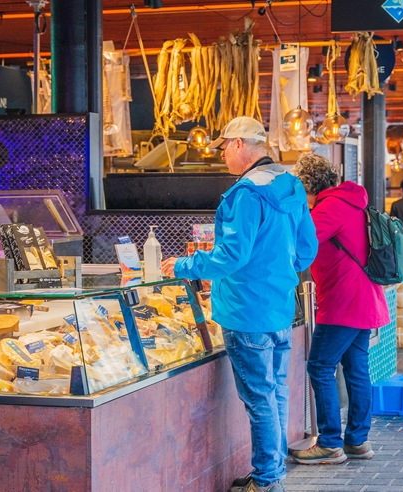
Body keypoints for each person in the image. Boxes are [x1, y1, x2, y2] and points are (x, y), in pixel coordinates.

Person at [161, 117, 317, 492]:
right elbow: (307, 250)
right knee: (275, 392)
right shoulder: (291, 185)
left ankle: (266, 482)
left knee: (260, 399)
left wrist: (183, 265)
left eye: (223, 149)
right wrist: (277, 270)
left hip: (246, 314)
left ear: (237, 145)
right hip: (280, 309)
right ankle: (272, 471)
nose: (223, 157)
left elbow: (229, 257)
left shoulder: (244, 194)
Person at [288, 154, 390, 465]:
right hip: (362, 299)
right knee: (357, 370)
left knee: (319, 367)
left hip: (343, 303)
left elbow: (301, 246)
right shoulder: (351, 201)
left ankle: (330, 443)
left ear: (307, 186)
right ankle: (357, 440)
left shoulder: (329, 208)